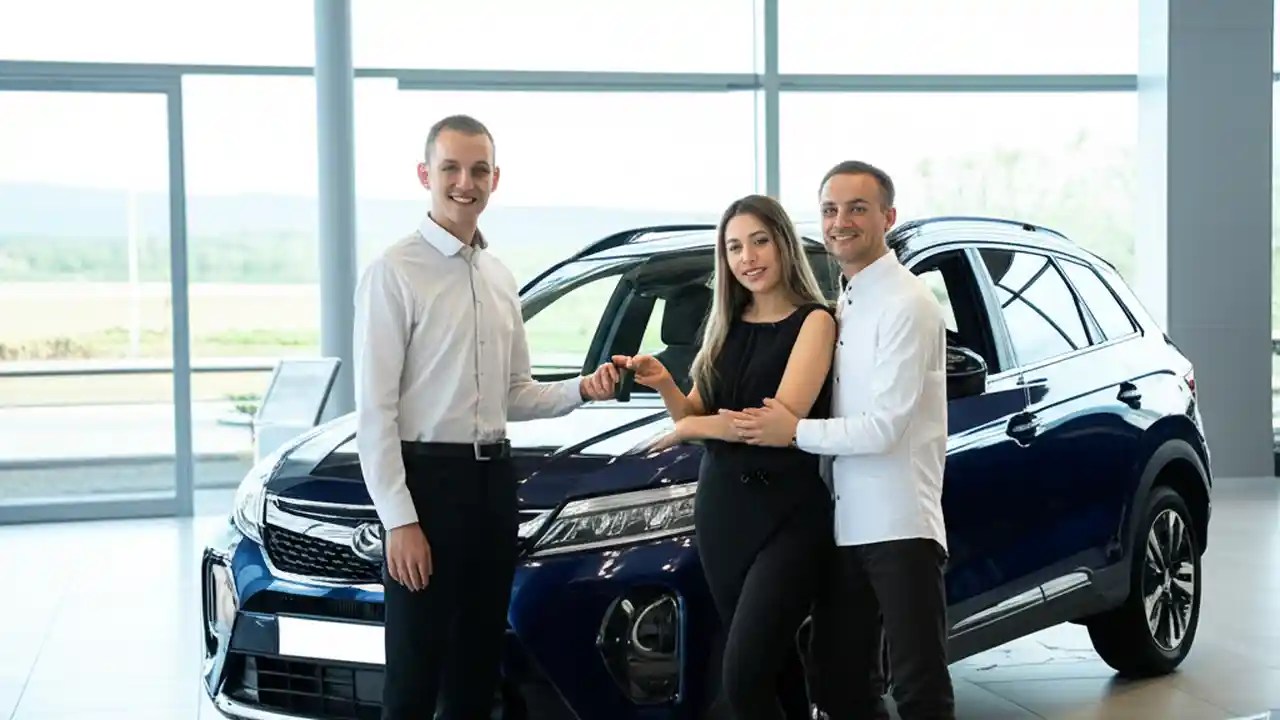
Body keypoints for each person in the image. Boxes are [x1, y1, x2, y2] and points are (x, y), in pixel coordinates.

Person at [352, 114, 620, 720]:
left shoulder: (499, 278)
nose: (464, 182)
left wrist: (582, 389)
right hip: (428, 485)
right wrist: (400, 521)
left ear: (495, 180)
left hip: (492, 487)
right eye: (450, 168)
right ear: (426, 174)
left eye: (478, 170)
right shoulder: (394, 272)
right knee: (415, 674)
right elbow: (375, 412)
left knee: (476, 670)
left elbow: (515, 395)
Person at [726, 161, 955, 720]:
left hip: (899, 522)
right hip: (845, 523)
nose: (840, 221)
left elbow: (884, 426)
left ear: (888, 217)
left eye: (857, 208)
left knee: (919, 685)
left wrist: (793, 431)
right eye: (830, 209)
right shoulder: (846, 302)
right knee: (837, 681)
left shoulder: (908, 303)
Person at [612, 194, 837, 720]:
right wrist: (666, 383)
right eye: (734, 247)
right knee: (777, 669)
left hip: (788, 517)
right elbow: (691, 414)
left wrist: (694, 426)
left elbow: (780, 423)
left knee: (742, 679)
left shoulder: (815, 322)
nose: (747, 257)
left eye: (759, 241)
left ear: (782, 244)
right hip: (724, 515)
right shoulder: (726, 323)